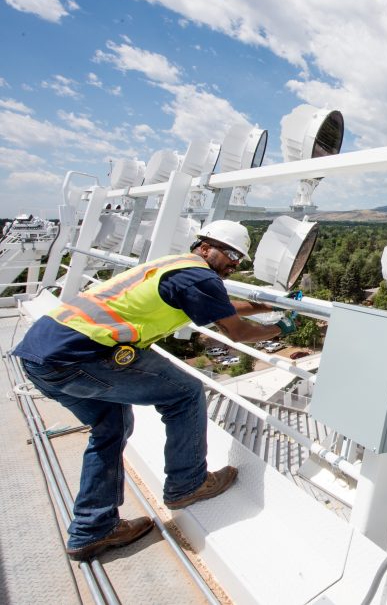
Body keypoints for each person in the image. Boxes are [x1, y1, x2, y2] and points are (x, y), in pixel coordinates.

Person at [14, 221, 294, 561]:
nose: (234, 263)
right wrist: (279, 328)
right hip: (81, 357)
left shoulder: (177, 266)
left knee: (111, 427)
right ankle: (187, 484)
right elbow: (236, 332)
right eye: (231, 254)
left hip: (43, 353)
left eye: (239, 259)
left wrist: (267, 306)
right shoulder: (201, 277)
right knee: (185, 392)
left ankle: (92, 529)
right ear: (205, 248)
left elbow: (222, 307)